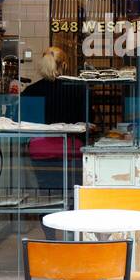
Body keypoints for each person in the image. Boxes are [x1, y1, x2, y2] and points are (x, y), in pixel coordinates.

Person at [19, 46, 87, 195]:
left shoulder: (30, 92)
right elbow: (87, 121)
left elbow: (24, 124)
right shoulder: (79, 89)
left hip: (40, 149)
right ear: (64, 65)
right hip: (71, 148)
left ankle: (47, 216)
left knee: (47, 193)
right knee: (71, 194)